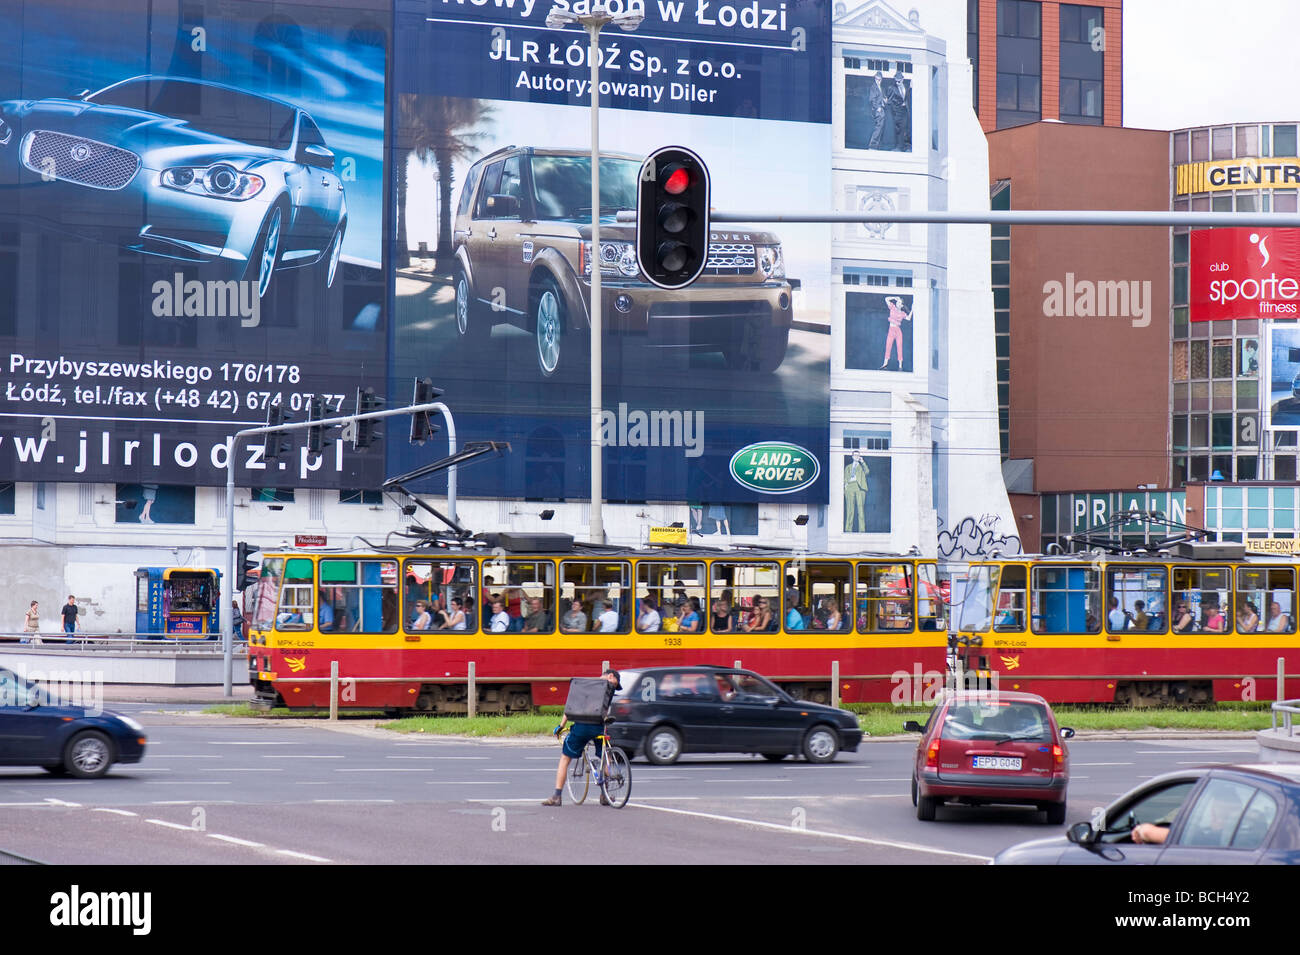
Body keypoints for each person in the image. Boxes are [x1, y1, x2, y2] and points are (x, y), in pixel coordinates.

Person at [542, 669, 621, 807]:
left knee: (565, 758)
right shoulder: (608, 689)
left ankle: (556, 796)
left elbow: (570, 708)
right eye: (615, 682)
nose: (615, 686)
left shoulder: (584, 687)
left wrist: (560, 726)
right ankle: (605, 795)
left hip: (581, 727)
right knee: (604, 757)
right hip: (599, 727)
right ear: (610, 676)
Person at [881, 296, 912, 369]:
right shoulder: (893, 307)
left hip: (898, 331)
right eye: (897, 302)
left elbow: (908, 318)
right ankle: (885, 364)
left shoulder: (902, 313)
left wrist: (912, 310)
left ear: (901, 305)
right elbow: (886, 299)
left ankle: (900, 366)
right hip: (891, 329)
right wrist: (895, 298)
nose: (898, 304)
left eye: (899, 303)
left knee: (899, 347)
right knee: (888, 346)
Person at [844, 451, 870, 533]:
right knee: (850, 509)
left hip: (860, 488)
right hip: (850, 487)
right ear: (852, 456)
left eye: (858, 455)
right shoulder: (848, 467)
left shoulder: (862, 467)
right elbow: (844, 478)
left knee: (860, 509)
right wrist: (845, 486)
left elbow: (867, 472)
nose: (856, 456)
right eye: (855, 455)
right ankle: (848, 529)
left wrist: (862, 462)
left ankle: (862, 530)